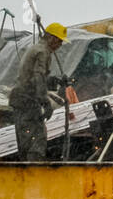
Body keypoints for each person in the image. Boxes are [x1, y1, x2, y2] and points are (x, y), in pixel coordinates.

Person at [9, 22, 68, 161]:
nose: (60, 45)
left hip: (20, 99)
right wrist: (46, 102)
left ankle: (26, 172)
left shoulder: (36, 49)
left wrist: (55, 80)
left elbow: (32, 76)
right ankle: (34, 172)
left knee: (26, 140)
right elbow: (38, 77)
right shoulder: (43, 52)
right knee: (37, 140)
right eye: (59, 41)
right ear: (52, 38)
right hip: (27, 101)